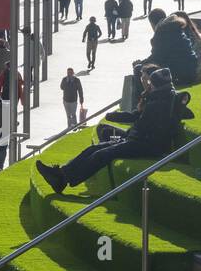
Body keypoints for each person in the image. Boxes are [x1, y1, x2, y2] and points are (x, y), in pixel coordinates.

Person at [36, 68, 191, 194]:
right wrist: (115, 117)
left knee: (101, 153)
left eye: (151, 83)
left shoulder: (160, 102)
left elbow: (140, 123)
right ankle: (61, 174)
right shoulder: (162, 98)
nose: (149, 85)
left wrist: (124, 128)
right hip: (141, 140)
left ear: (157, 85)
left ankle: (63, 179)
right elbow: (140, 119)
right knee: (94, 148)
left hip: (148, 145)